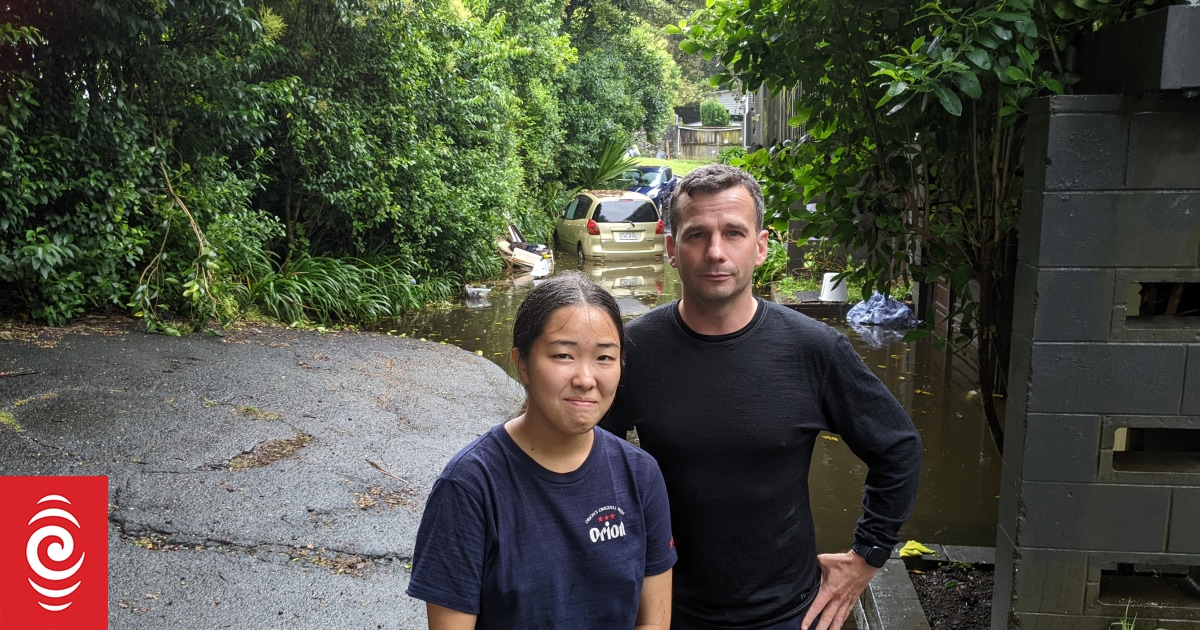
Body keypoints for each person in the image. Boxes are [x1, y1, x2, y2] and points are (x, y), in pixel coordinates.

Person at [601, 164, 922, 630]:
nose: (715, 252)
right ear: (671, 249)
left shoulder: (815, 350)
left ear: (761, 245)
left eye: (733, 232)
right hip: (665, 608)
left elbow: (898, 447)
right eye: (696, 235)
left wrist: (867, 556)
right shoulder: (633, 350)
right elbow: (577, 456)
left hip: (789, 613)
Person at [407, 271, 676, 629]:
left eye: (604, 358)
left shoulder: (640, 475)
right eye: (563, 355)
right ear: (522, 364)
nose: (585, 378)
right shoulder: (470, 487)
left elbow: (653, 621)